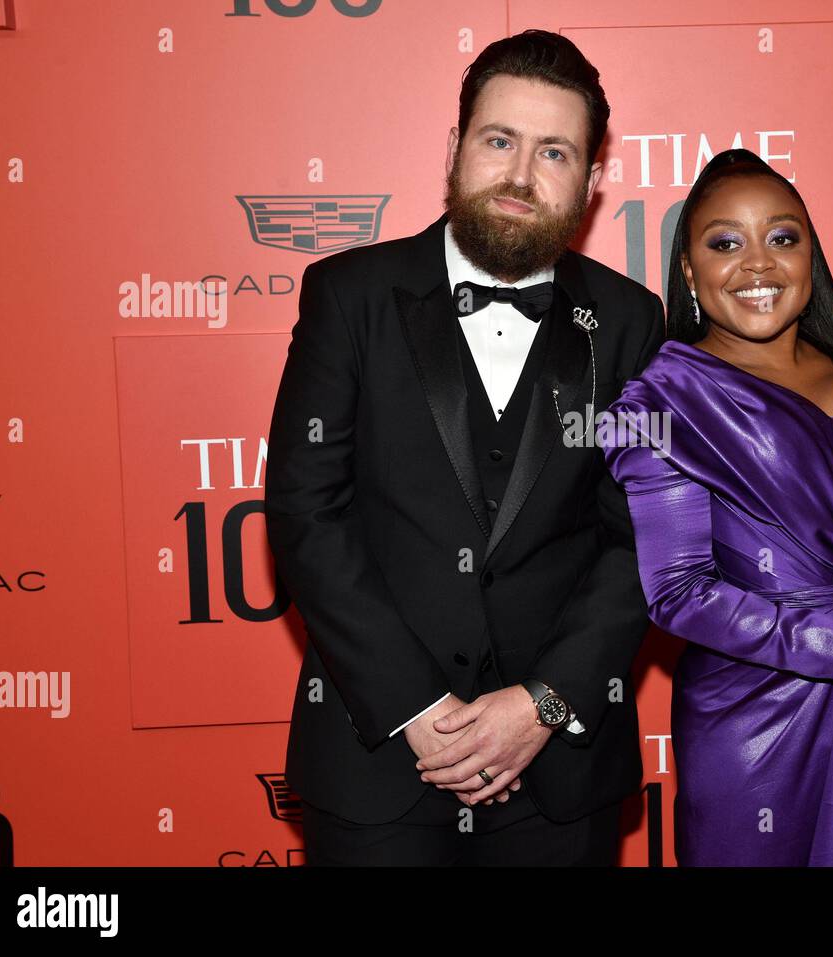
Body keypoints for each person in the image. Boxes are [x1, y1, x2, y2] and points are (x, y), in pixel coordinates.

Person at [264, 30, 665, 865]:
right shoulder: (350, 296)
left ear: (592, 181)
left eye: (554, 151)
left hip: (558, 773)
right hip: (377, 758)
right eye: (499, 140)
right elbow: (308, 512)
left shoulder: (630, 322)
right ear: (455, 148)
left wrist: (542, 704)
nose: (521, 174)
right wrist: (421, 711)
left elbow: (644, 539)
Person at [598, 148, 833, 866]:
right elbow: (679, 594)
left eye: (782, 238)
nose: (759, 264)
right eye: (726, 243)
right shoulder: (661, 399)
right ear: (690, 274)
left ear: (810, 256)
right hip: (757, 719)